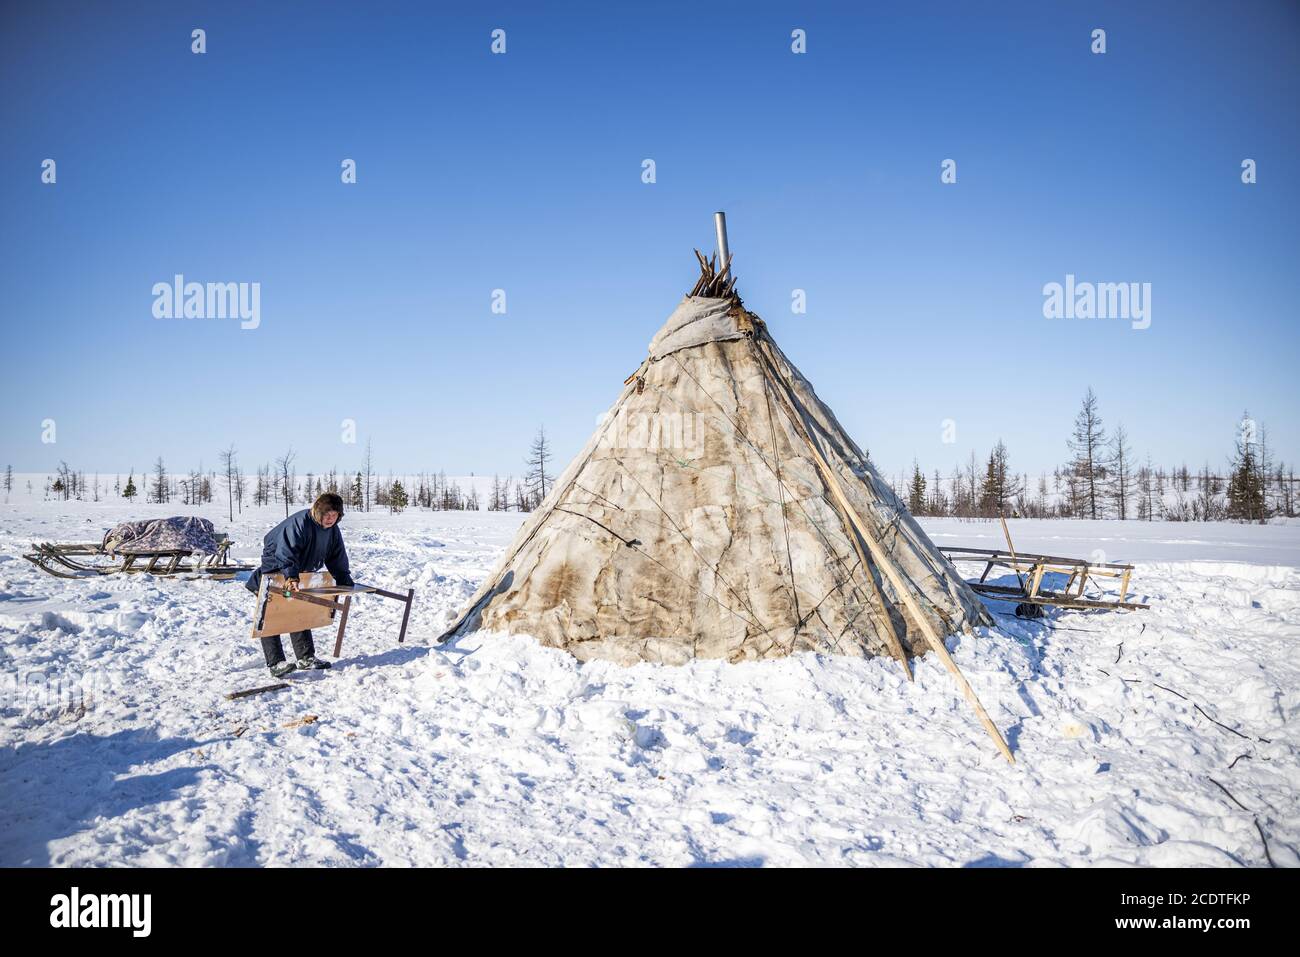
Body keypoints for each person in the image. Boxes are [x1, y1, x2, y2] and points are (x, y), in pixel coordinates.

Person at [246, 492, 354, 677]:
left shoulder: (332, 530)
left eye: (335, 515)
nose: (331, 519)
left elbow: (336, 554)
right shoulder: (300, 523)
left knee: (299, 611)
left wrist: (343, 577)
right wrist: (291, 577)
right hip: (276, 571)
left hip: (298, 574)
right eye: (327, 515)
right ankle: (276, 662)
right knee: (273, 614)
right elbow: (286, 552)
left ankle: (306, 658)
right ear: (319, 512)